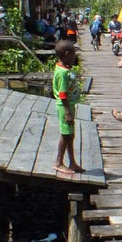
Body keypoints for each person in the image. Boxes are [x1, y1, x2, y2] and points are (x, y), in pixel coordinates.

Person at [52, 39, 85, 176]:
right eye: (73, 55)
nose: (74, 58)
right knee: (66, 135)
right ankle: (58, 162)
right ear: (66, 54)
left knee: (70, 135)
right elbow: (63, 95)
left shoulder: (62, 68)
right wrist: (67, 113)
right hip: (65, 107)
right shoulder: (63, 73)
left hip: (69, 106)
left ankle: (72, 162)